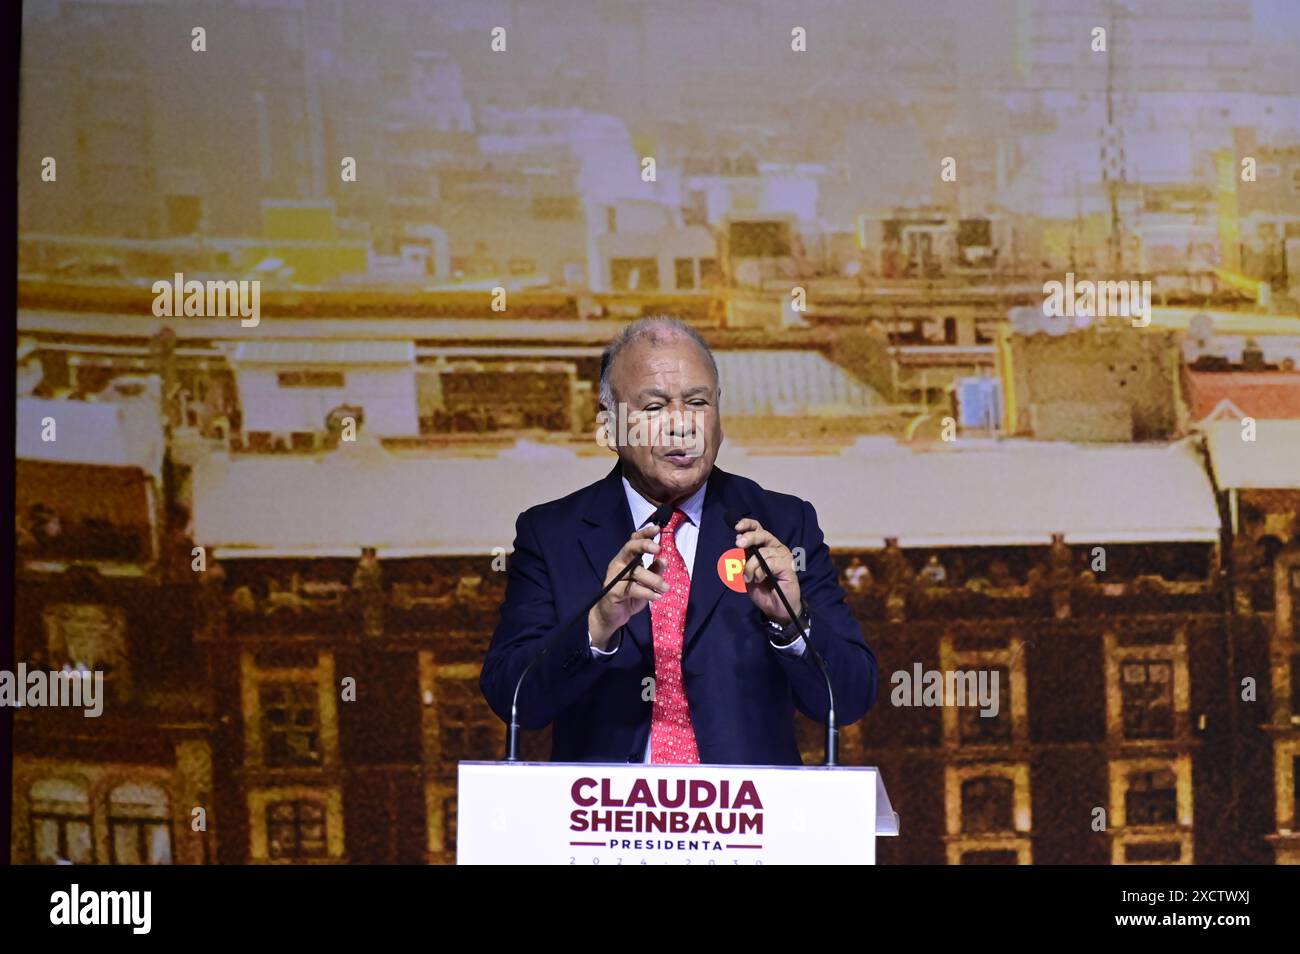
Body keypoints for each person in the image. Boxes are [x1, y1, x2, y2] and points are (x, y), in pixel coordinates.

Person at [480, 316, 878, 765]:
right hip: (608, 819)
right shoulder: (551, 533)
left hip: (742, 822)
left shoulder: (782, 524)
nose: (681, 426)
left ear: (720, 420)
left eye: (697, 402)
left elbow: (849, 698)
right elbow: (513, 699)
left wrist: (793, 622)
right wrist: (596, 624)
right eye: (654, 408)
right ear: (610, 429)